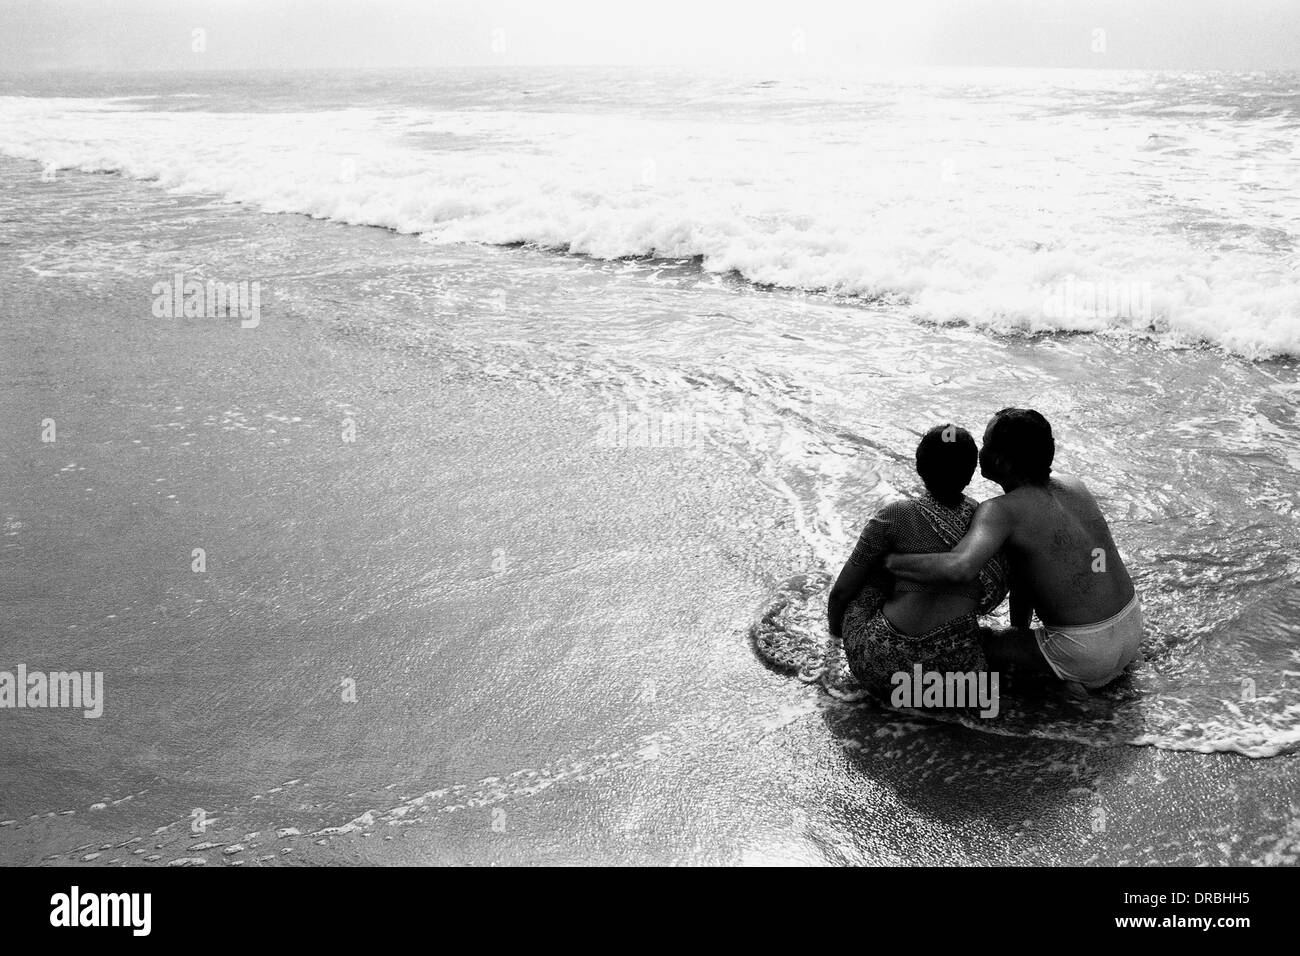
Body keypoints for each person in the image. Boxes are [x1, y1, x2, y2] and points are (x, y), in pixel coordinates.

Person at [885, 408, 1141, 694]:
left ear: (1003, 462)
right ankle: (1071, 665)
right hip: (1131, 625)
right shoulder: (1074, 485)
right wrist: (1020, 634)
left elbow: (960, 567)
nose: (980, 452)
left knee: (972, 642)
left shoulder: (1001, 511)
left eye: (986, 444)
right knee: (1021, 617)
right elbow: (1027, 575)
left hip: (1085, 649)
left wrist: (892, 562)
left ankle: (1069, 687)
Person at [828, 424, 1008, 698]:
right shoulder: (988, 523)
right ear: (971, 473)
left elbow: (841, 593)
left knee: (871, 573)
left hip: (883, 670)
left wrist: (834, 639)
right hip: (960, 683)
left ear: (919, 467)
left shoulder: (895, 515)